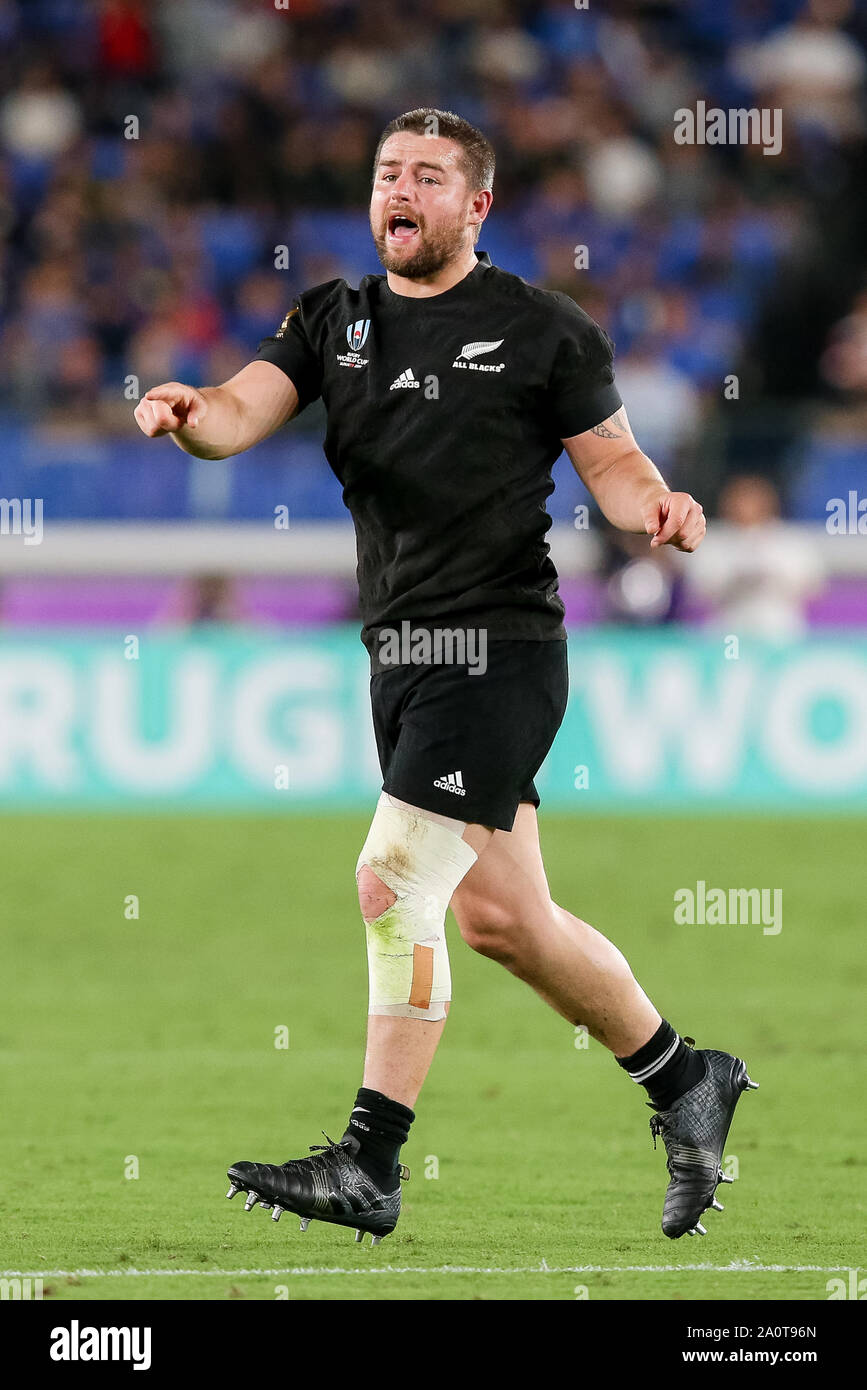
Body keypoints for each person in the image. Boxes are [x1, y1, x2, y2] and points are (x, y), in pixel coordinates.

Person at [134, 108, 757, 1244]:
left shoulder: (540, 328)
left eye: (426, 176)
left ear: (476, 206)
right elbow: (237, 411)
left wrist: (655, 505)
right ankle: (686, 1079)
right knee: (507, 921)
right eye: (385, 175)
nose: (398, 192)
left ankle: (369, 1161)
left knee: (390, 879)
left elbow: (611, 460)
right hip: (404, 658)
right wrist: (188, 414)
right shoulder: (335, 318)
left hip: (501, 649)